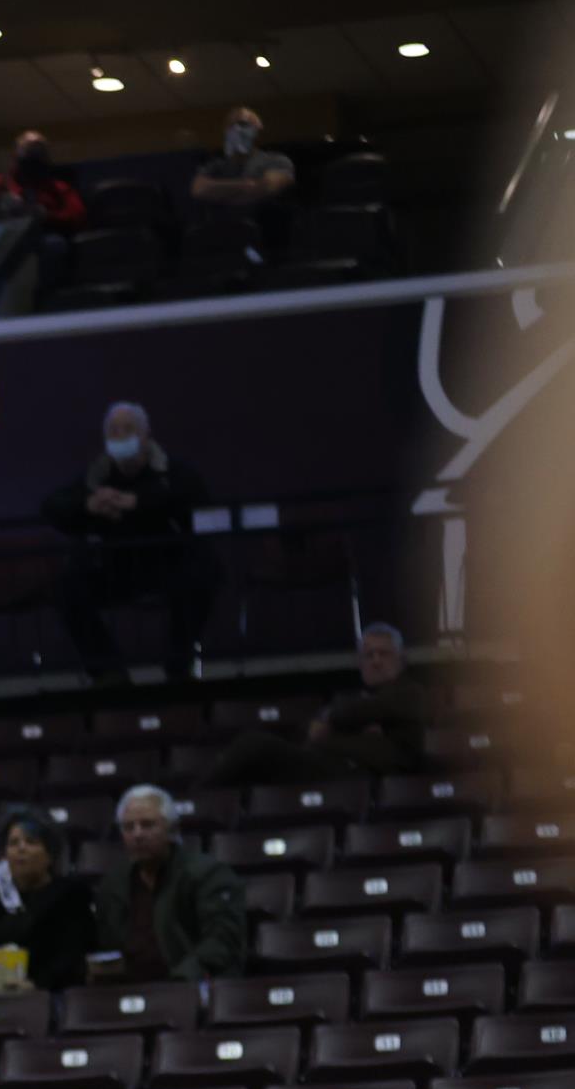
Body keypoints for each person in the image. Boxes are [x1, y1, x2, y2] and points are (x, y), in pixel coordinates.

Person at [42, 402, 217, 682]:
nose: (120, 436)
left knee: (204, 572)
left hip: (166, 563)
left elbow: (194, 498)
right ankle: (109, 672)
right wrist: (89, 505)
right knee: (67, 587)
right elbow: (53, 505)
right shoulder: (96, 475)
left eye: (128, 429)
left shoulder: (172, 471)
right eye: (113, 431)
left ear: (146, 435)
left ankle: (179, 667)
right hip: (115, 569)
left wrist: (138, 502)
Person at [205, 624, 428, 788]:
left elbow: (343, 718)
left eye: (384, 654)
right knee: (254, 762)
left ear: (401, 659)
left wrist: (332, 731)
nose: (376, 661)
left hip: (363, 777)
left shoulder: (410, 693)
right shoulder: (353, 697)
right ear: (360, 664)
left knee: (256, 745)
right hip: (330, 768)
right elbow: (312, 729)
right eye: (369, 655)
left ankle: (192, 801)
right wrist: (355, 730)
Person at [94, 785, 248, 983]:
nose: (137, 834)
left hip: (187, 987)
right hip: (130, 991)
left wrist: (180, 981)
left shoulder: (207, 875)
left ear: (172, 829)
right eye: (128, 827)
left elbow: (222, 941)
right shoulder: (113, 884)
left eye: (147, 825)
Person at [0, 808, 95, 993]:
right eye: (13, 843)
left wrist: (36, 986)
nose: (21, 848)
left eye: (31, 842)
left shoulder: (72, 895)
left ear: (50, 855)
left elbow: (73, 956)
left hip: (50, 993)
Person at [0, 130, 86, 231]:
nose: (35, 151)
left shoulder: (59, 189)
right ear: (15, 153)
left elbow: (77, 217)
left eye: (39, 148)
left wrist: (45, 215)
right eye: (29, 147)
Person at [191, 108, 295, 214]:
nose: (237, 130)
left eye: (243, 124)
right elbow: (198, 189)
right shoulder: (215, 165)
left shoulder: (276, 161)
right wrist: (246, 185)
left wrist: (219, 192)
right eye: (231, 126)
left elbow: (267, 188)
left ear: (257, 131)